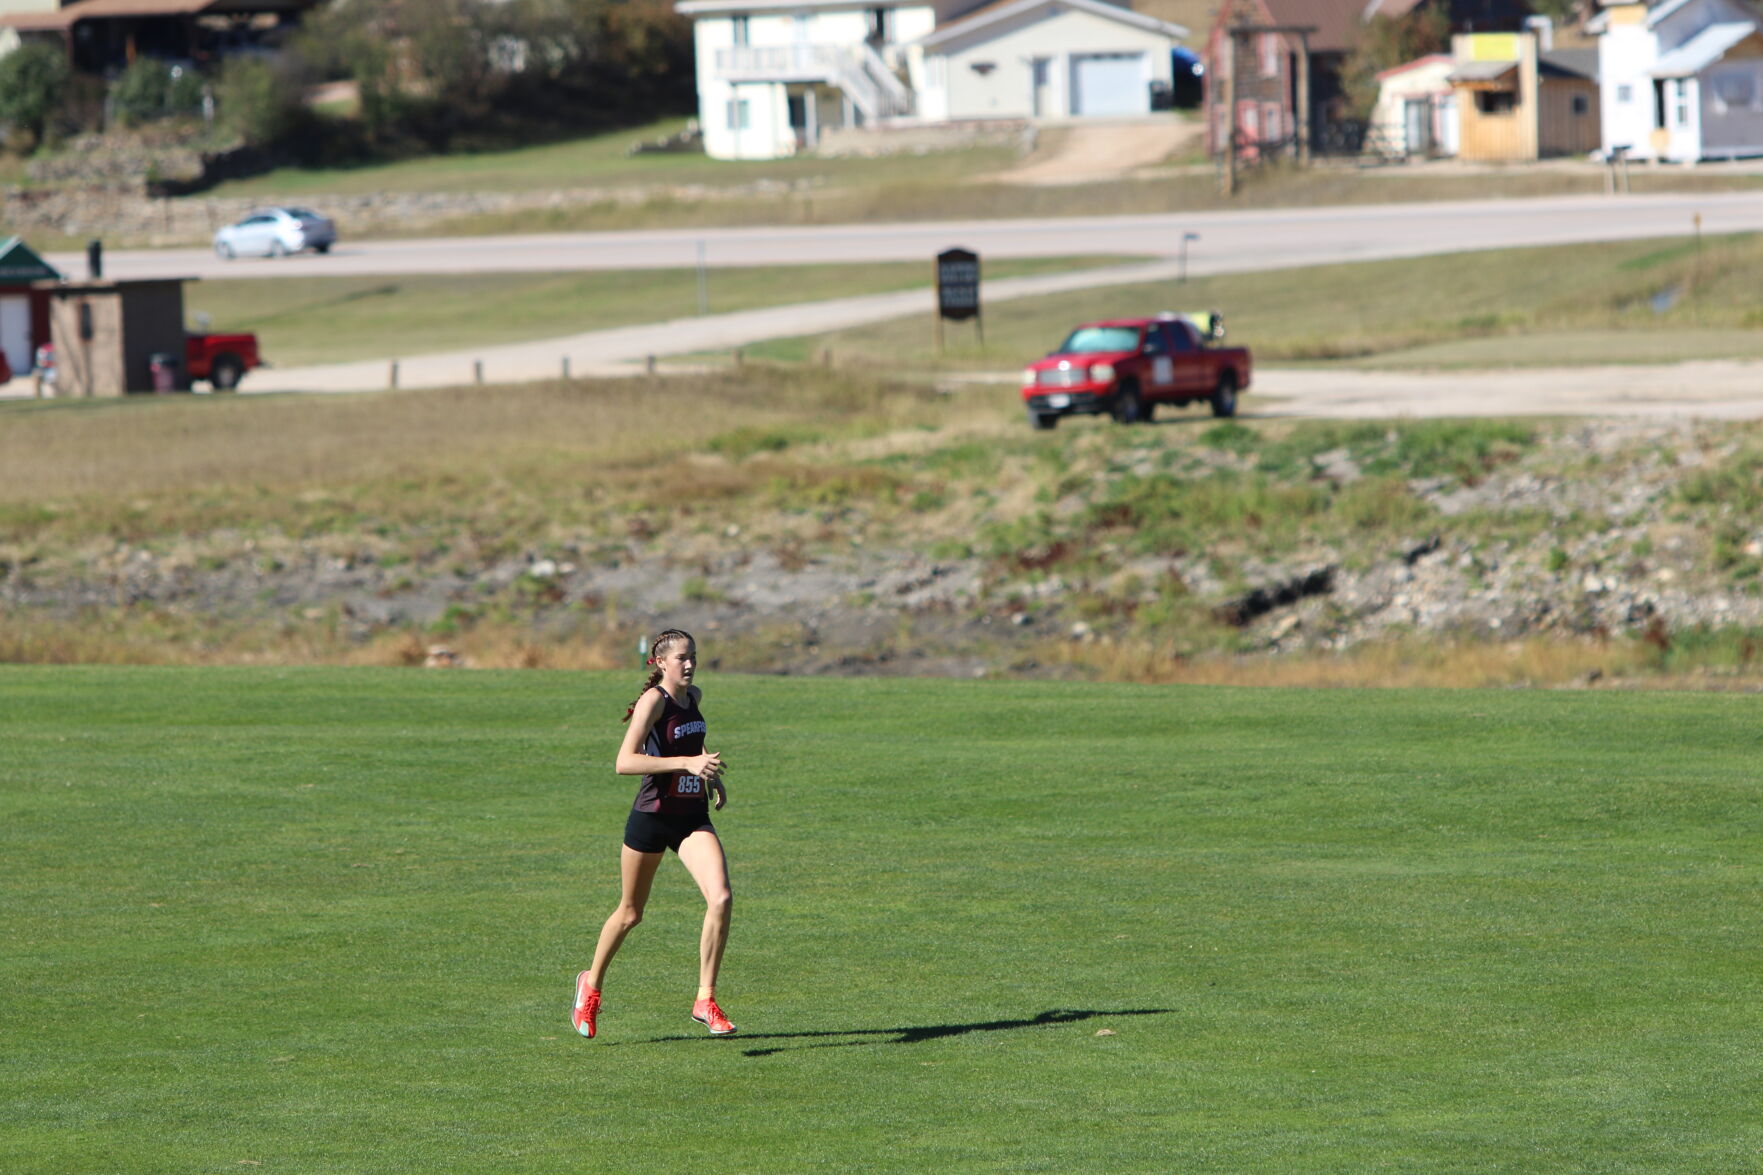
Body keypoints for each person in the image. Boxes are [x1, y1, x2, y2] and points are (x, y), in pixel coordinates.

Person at [573, 628, 737, 1039]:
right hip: (652, 816)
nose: (689, 664)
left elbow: (694, 749)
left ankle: (705, 999)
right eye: (681, 657)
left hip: (690, 817)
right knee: (630, 913)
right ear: (660, 662)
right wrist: (686, 763)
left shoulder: (693, 697)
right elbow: (624, 762)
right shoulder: (654, 701)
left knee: (720, 897)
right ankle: (590, 986)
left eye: (693, 656)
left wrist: (708, 776)